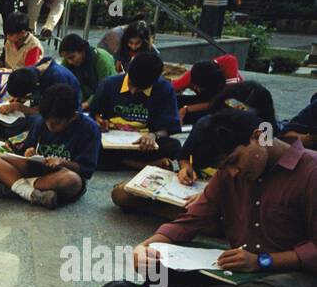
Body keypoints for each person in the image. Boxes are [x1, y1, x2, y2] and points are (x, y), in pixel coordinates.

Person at [128, 109, 317, 287]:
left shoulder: (311, 172)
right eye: (225, 167)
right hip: (238, 272)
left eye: (234, 161)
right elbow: (190, 221)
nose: (234, 173)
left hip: (293, 275)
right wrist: (146, 247)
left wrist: (261, 262)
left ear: (258, 137)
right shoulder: (229, 174)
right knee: (156, 263)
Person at [111, 81, 277, 221]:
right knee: (122, 193)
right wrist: (186, 168)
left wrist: (215, 197)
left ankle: (183, 215)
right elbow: (185, 156)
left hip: (228, 205)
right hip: (194, 190)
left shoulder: (266, 142)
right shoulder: (207, 124)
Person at [0, 83, 99, 209]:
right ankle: (30, 193)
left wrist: (62, 163)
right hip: (37, 169)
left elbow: (86, 170)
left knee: (71, 180)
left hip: (61, 175)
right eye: (46, 121)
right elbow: (27, 151)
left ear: (73, 116)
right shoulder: (41, 122)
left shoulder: (89, 129)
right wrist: (29, 152)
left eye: (56, 123)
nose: (49, 127)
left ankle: (14, 187)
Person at [89, 52, 181, 169]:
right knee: (87, 144)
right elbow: (94, 113)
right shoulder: (109, 83)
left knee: (174, 146)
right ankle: (142, 165)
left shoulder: (164, 89)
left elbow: (169, 127)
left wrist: (153, 135)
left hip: (142, 145)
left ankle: (121, 163)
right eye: (131, 84)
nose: (132, 91)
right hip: (111, 141)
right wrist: (99, 121)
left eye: (139, 88)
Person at [0, 56, 79, 141]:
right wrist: (16, 101)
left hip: (56, 115)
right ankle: (2, 129)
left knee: (36, 121)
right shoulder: (32, 72)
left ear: (29, 93)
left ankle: (2, 130)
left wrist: (19, 107)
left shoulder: (56, 79)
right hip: (34, 107)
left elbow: (49, 114)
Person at [58, 32, 115, 106]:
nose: (69, 62)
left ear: (82, 51)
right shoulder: (67, 61)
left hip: (107, 99)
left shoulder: (102, 60)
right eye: (66, 59)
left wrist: (86, 104)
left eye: (72, 57)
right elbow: (61, 83)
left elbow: (104, 89)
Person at [175, 59, 227, 127]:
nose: (197, 89)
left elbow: (214, 103)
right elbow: (170, 90)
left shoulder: (223, 84)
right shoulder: (188, 79)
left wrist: (185, 110)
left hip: (216, 106)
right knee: (176, 100)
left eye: (200, 87)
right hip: (202, 100)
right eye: (195, 86)